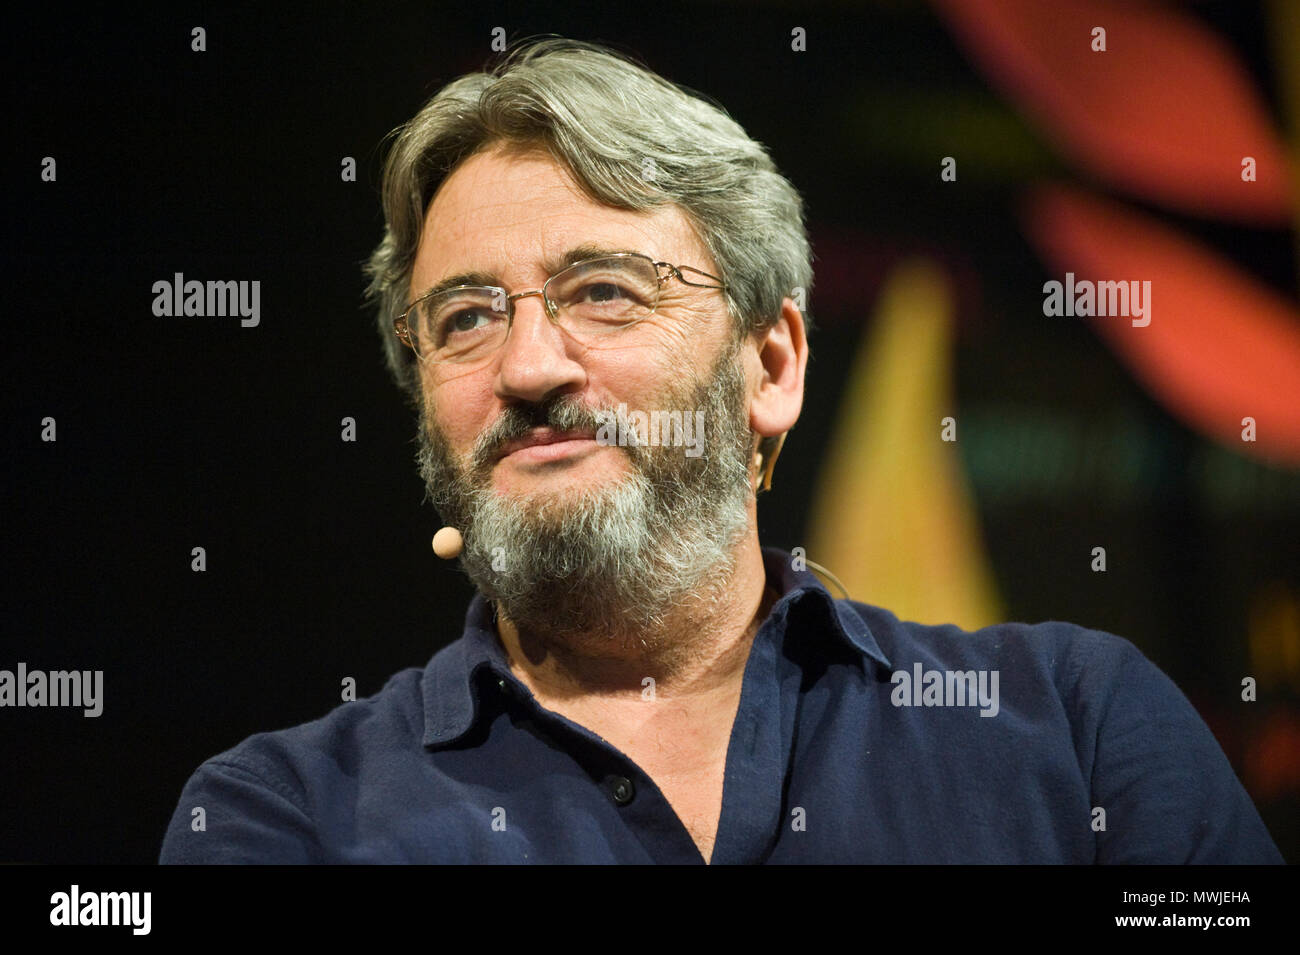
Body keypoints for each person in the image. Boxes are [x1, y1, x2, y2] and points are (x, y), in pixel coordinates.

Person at [159, 38, 1283, 864]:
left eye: (602, 292)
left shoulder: (1075, 731)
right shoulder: (285, 817)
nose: (527, 365)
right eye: (464, 317)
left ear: (772, 364)